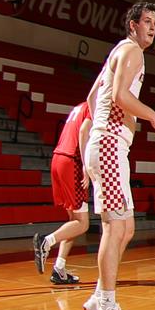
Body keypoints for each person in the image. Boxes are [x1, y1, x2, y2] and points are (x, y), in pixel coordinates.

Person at [82, 2, 155, 310]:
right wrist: (152, 115)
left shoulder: (118, 52)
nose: (152, 27)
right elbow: (118, 96)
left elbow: (93, 97)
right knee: (115, 227)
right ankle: (107, 308)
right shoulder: (132, 51)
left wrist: (100, 130)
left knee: (126, 228)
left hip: (109, 144)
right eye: (147, 21)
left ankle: (98, 297)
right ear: (132, 25)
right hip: (109, 145)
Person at [35, 94, 93, 286]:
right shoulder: (93, 106)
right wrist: (85, 165)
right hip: (71, 162)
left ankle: (59, 269)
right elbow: (83, 132)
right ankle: (46, 241)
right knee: (83, 224)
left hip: (58, 159)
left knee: (74, 221)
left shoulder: (79, 106)